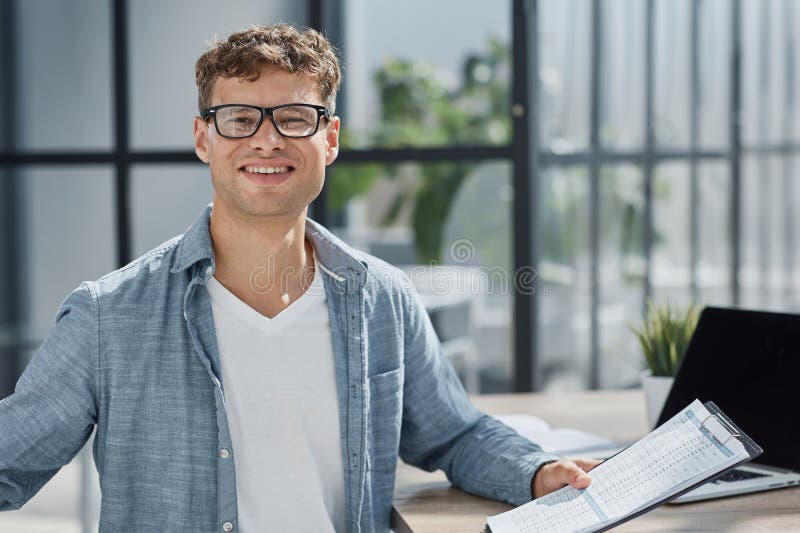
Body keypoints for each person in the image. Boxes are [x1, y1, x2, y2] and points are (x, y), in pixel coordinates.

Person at [0, 24, 598, 532]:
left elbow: (453, 434)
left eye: (293, 117)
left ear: (329, 139)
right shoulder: (110, 316)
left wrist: (537, 470)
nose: (266, 138)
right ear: (204, 138)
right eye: (239, 118)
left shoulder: (381, 299)